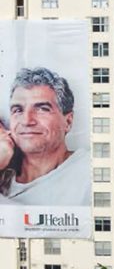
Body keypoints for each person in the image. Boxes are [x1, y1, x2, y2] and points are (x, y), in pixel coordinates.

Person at [0, 67, 88, 206]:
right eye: (18, 110)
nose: (27, 121)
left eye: (42, 109)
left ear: (68, 121)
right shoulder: (4, 175)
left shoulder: (90, 172)